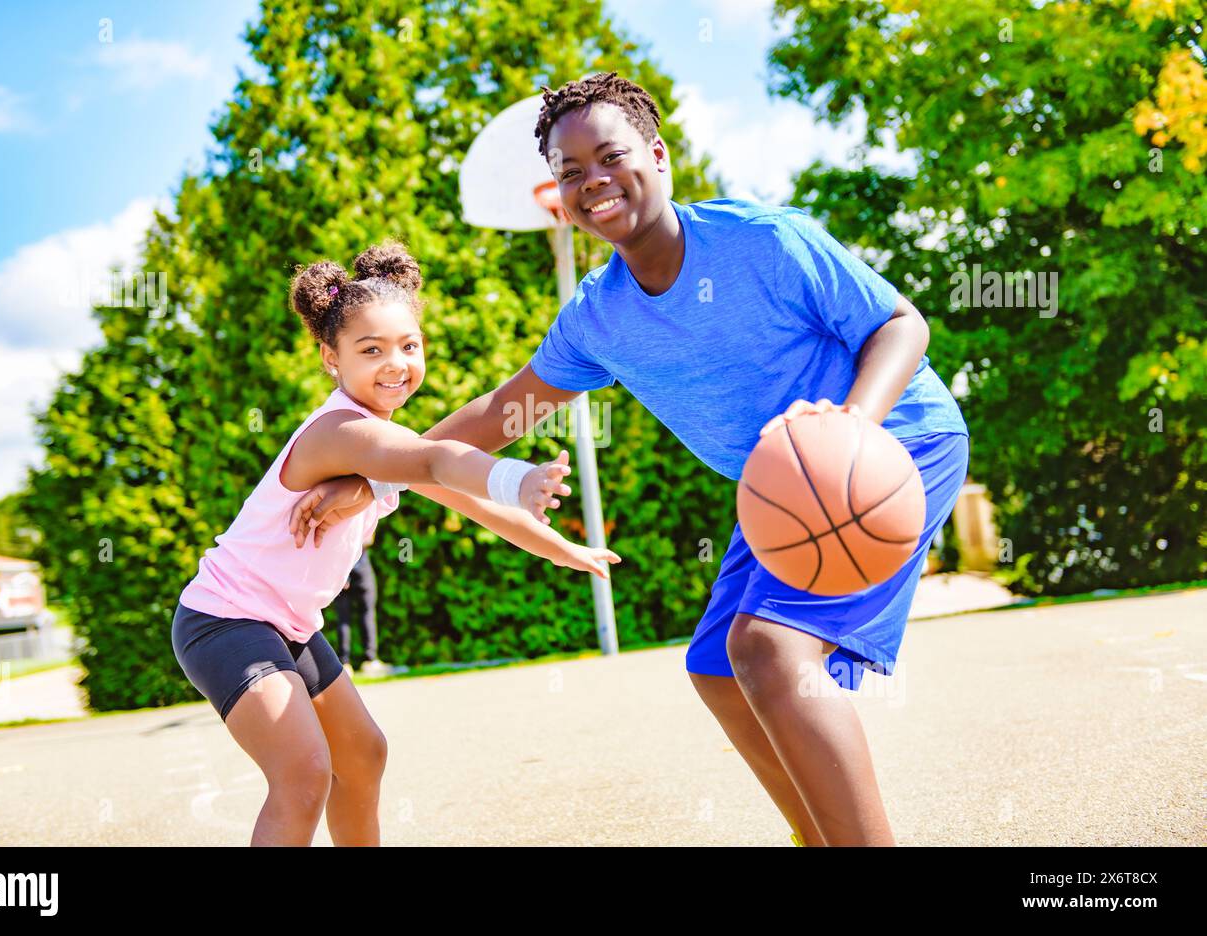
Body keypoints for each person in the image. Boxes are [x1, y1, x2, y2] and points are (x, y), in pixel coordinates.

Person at [288, 75, 971, 848]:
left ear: (658, 155)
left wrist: (849, 430)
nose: (591, 182)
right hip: (786, 484)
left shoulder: (762, 240)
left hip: (895, 443)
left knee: (769, 650)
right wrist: (375, 479)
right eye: (569, 172)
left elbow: (899, 325)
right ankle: (820, 834)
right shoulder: (599, 316)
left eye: (609, 157)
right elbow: (499, 413)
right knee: (718, 664)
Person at [171, 241, 619, 846]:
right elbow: (439, 461)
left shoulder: (379, 447)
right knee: (302, 774)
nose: (395, 363)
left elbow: (465, 499)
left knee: (362, 755)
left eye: (409, 346)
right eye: (371, 349)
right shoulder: (339, 430)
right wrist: (519, 479)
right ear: (331, 358)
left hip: (288, 626)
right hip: (225, 621)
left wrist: (563, 548)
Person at [328, 528, 388, 677]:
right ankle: (349, 662)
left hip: (347, 567)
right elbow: (369, 539)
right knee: (349, 616)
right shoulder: (366, 510)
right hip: (348, 568)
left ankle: (365, 660)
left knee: (359, 614)